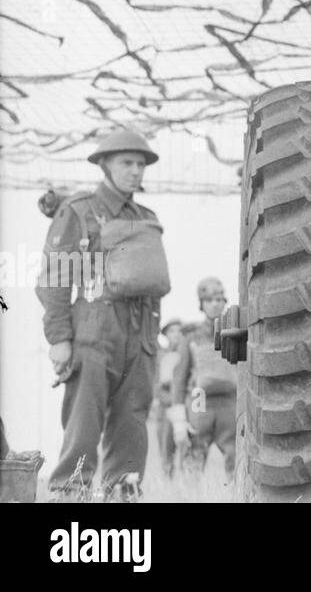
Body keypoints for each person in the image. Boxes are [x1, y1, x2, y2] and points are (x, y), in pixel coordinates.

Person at [37, 129, 169, 499]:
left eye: (140, 164)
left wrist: (149, 341)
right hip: (94, 333)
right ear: (105, 165)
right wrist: (59, 339)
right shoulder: (77, 211)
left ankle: (122, 497)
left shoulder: (147, 216)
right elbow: (54, 279)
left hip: (140, 335)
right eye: (126, 162)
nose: (135, 171)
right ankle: (70, 495)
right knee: (83, 423)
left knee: (132, 423)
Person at [169, 278, 238, 477]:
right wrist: (179, 422)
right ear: (202, 303)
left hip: (229, 404)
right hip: (199, 403)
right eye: (209, 299)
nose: (214, 304)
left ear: (225, 301)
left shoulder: (235, 333)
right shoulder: (190, 336)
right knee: (193, 459)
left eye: (218, 299)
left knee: (237, 461)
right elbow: (179, 379)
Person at [152, 317, 185, 478]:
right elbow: (156, 383)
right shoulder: (160, 356)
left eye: (179, 331)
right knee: (166, 447)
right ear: (165, 334)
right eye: (172, 331)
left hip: (185, 406)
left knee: (188, 446)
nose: (176, 334)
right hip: (166, 407)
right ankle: (168, 484)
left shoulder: (187, 354)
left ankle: (190, 484)